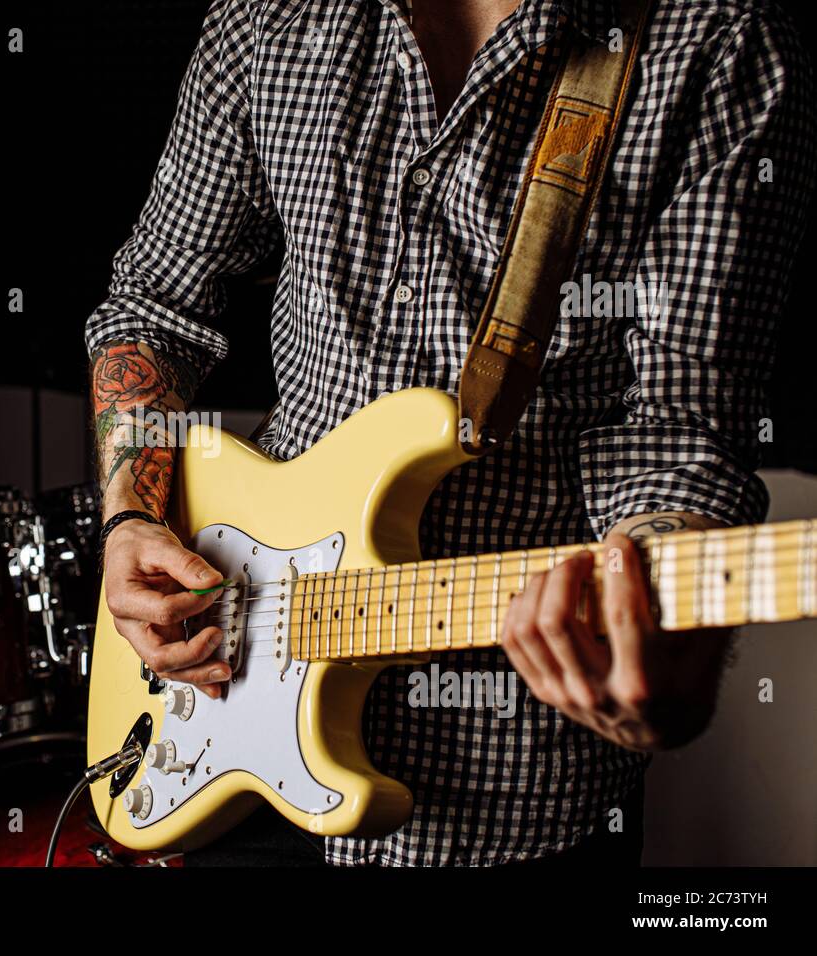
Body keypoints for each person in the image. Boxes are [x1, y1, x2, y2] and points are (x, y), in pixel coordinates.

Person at [85, 0, 815, 865]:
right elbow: (154, 307)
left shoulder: (719, 43)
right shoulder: (267, 17)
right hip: (223, 725)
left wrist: (659, 618)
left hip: (502, 788)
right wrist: (131, 514)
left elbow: (677, 426)